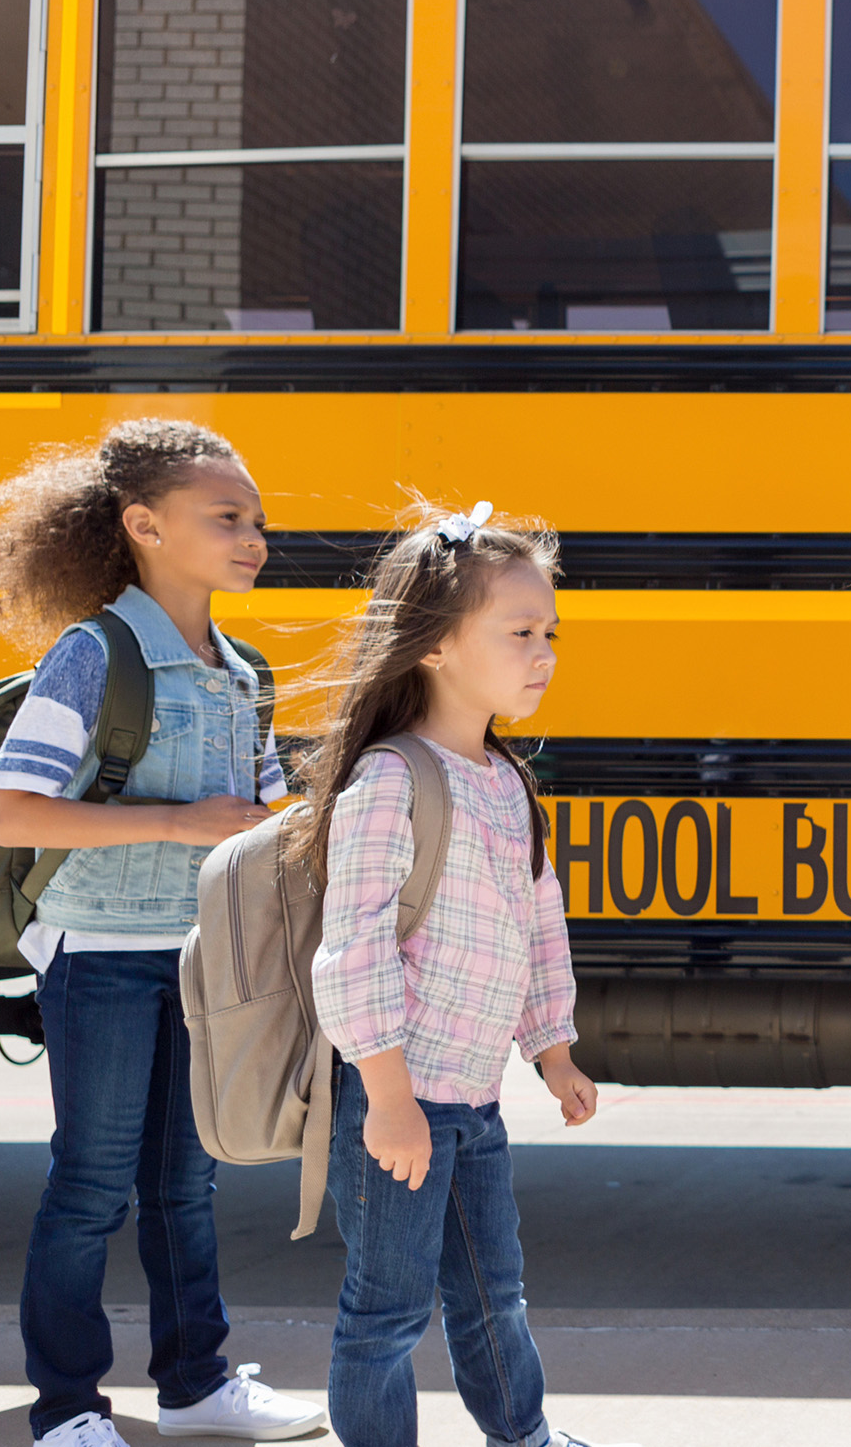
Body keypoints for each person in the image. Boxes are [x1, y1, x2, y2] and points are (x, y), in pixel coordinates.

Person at [0, 420, 323, 1446]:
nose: (254, 537)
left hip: (204, 961)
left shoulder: (242, 669)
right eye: (227, 518)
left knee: (184, 1186)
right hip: (104, 959)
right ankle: (68, 1409)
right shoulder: (94, 652)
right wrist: (177, 820)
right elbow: (11, 811)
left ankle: (196, 1386)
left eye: (257, 521)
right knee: (90, 1184)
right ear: (143, 525)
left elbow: (253, 815)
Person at [299, 502, 621, 1447]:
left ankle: (521, 1434)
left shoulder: (505, 778)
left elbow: (536, 922)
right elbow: (352, 949)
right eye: (520, 632)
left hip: (472, 1107)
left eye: (549, 631)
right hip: (399, 1106)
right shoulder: (391, 780)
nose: (544, 651)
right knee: (387, 1314)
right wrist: (388, 1097)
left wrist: (552, 1050)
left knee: (494, 1297)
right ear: (434, 644)